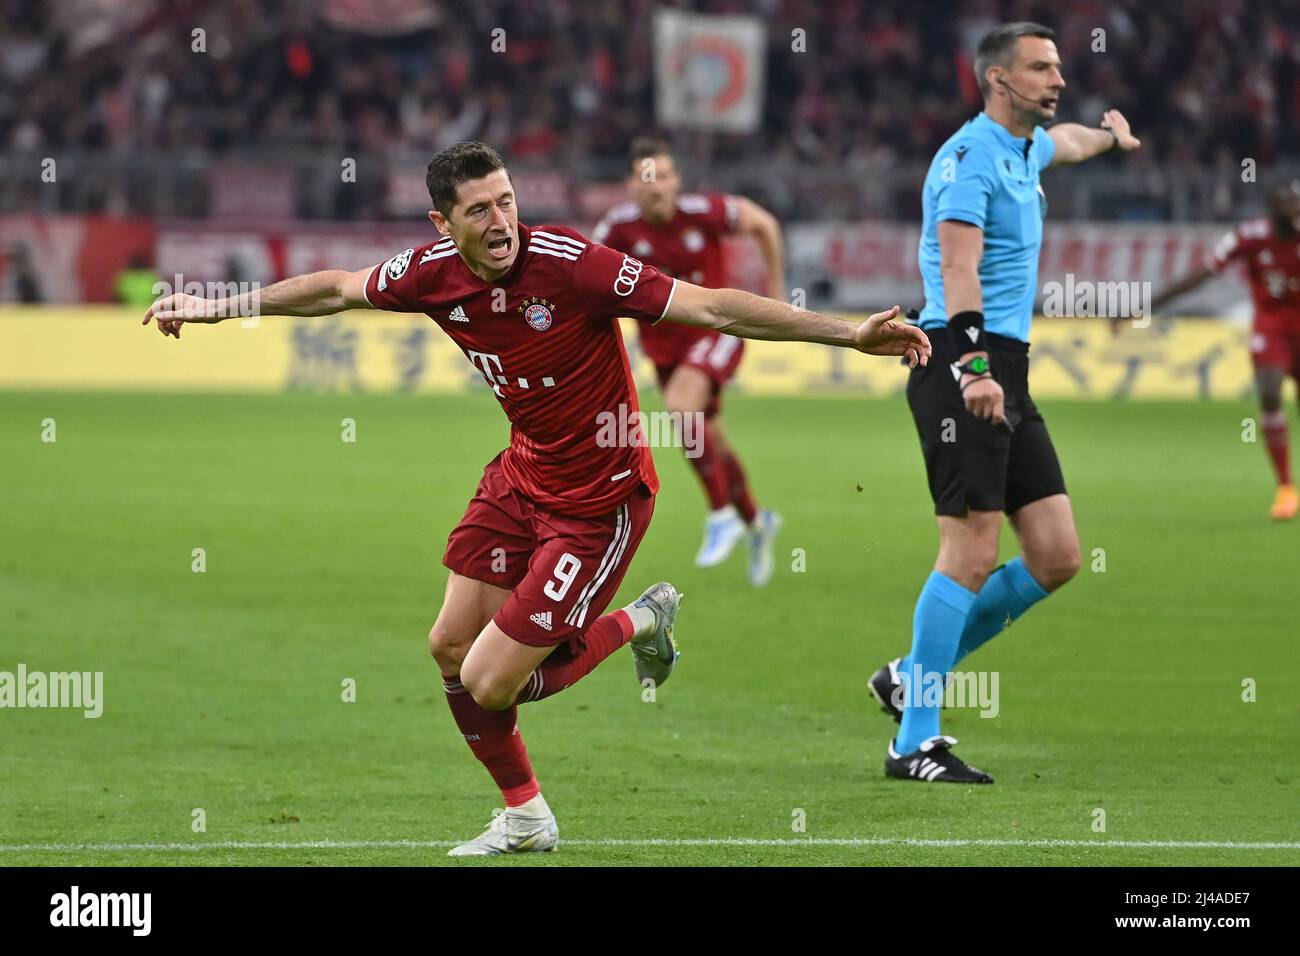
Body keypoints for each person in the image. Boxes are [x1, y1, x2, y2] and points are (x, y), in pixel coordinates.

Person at [144, 141, 931, 853]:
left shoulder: (575, 265)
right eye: (480, 210)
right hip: (521, 480)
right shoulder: (430, 274)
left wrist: (848, 334)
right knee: (449, 647)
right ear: (443, 223)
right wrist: (214, 308)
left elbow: (716, 306)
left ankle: (642, 618)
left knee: (492, 681)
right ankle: (526, 816)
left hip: (599, 505)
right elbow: (334, 291)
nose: (501, 222)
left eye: (507, 201)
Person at [866, 22, 1141, 783]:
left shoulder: (1027, 148)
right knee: (970, 553)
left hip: (1006, 368)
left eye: (1058, 67)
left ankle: (909, 676)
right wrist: (975, 368)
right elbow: (959, 271)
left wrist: (1111, 139)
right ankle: (913, 741)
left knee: (1055, 555)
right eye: (1041, 68)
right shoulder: (968, 160)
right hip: (960, 358)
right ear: (998, 79)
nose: (1058, 80)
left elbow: (1069, 143)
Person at [594, 137, 785, 585]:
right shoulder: (619, 227)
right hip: (667, 352)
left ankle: (721, 515)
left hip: (717, 332)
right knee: (710, 441)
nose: (656, 185)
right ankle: (757, 522)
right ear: (631, 186)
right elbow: (584, 270)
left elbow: (764, 223)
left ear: (677, 180)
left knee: (681, 409)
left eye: (664, 175)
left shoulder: (703, 211)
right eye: (647, 178)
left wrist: (776, 289)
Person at [1138, 180, 1300, 520]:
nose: (1295, 209)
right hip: (1272, 329)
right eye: (1289, 204)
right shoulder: (1250, 236)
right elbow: (1203, 273)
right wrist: (1147, 306)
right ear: (1273, 210)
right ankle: (1286, 487)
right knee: (1270, 392)